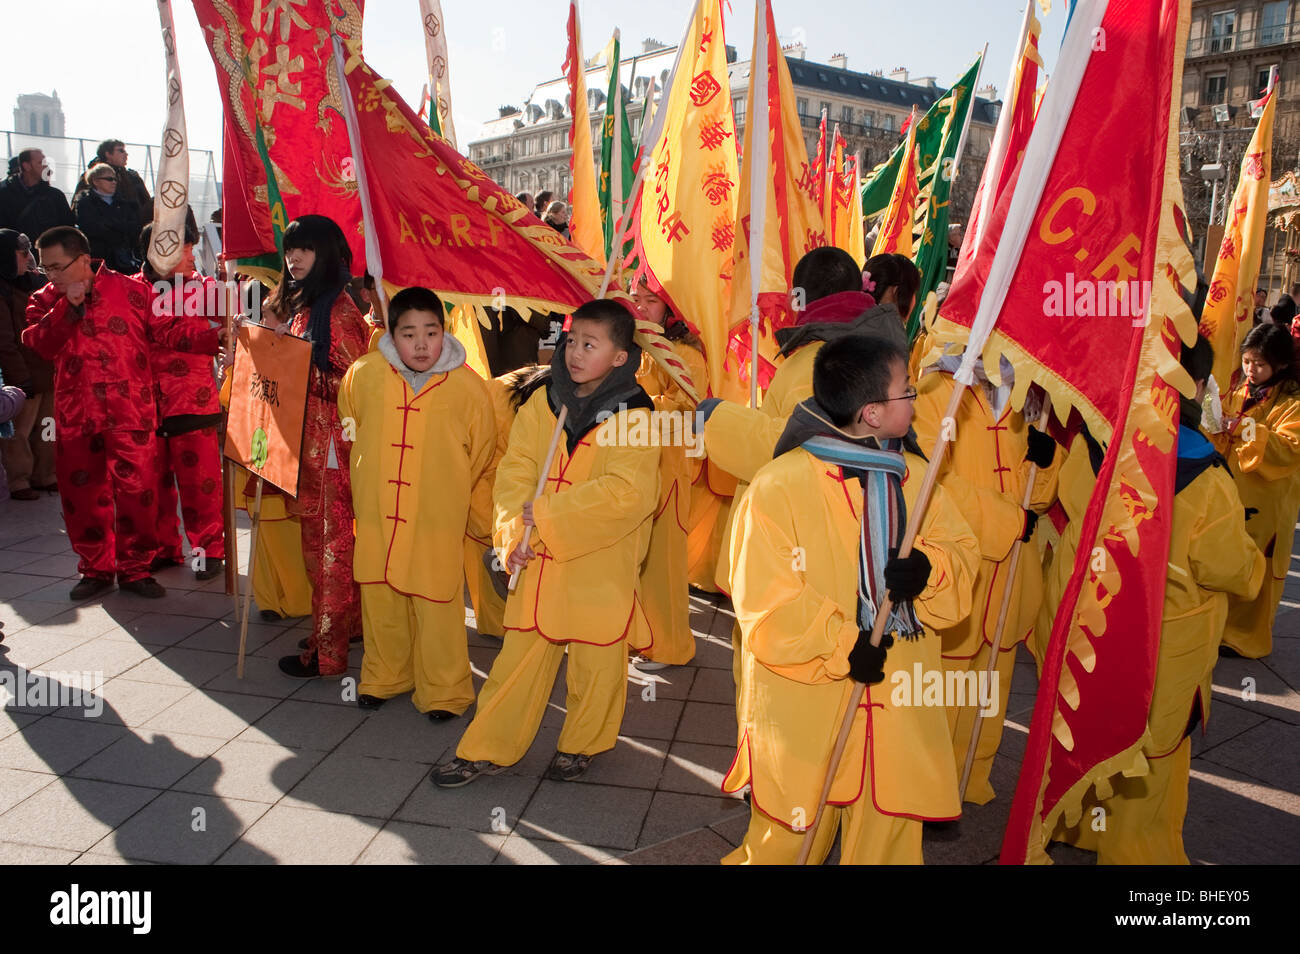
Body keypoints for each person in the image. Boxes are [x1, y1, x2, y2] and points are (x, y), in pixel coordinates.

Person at [721, 334, 980, 864]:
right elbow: (767, 606)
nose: (915, 398)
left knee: (887, 844)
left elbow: (960, 565)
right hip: (806, 710)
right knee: (787, 844)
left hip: (898, 711)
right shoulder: (778, 486)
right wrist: (847, 646)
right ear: (872, 413)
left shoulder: (918, 482)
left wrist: (928, 572)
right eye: (906, 391)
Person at [1055, 336, 1264, 863]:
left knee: (1088, 732)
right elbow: (1231, 570)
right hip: (1163, 648)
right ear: (1195, 386)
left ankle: (1078, 828)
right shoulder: (1207, 479)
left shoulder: (1095, 444)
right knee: (1150, 761)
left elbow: (1071, 510)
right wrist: (1255, 558)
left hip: (1093, 627)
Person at [433, 299, 660, 786]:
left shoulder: (638, 415)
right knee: (517, 661)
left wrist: (552, 513)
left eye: (591, 345)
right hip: (537, 557)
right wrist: (513, 531)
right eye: (573, 340)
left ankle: (583, 743)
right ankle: (485, 748)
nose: (575, 353)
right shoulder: (546, 400)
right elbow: (516, 471)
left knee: (598, 660)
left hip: (601, 562)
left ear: (620, 357)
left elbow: (630, 494)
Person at [24, 226, 223, 599]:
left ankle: (135, 568)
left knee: (139, 492)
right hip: (75, 413)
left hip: (132, 411)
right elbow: (39, 343)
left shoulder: (133, 291)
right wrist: (68, 305)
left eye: (55, 266)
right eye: (45, 267)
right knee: (83, 496)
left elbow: (165, 333)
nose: (48, 274)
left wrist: (216, 339)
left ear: (83, 259)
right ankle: (95, 569)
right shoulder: (44, 299)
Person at [339, 286, 497, 717]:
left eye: (432, 331)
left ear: (444, 332)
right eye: (409, 334)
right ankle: (385, 676)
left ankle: (445, 691)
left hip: (435, 513)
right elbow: (349, 425)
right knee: (380, 596)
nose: (422, 343)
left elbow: (482, 450)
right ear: (392, 333)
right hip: (376, 510)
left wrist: (449, 484)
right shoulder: (364, 373)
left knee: (437, 602)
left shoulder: (468, 388)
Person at [912, 355, 1060, 805]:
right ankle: (929, 789)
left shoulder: (1035, 392)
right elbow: (928, 477)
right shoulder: (940, 389)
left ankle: (971, 775)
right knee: (944, 690)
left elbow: (1037, 495)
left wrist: (1048, 465)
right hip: (960, 568)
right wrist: (1007, 520)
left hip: (1014, 573)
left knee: (990, 685)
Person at [268, 215, 370, 678]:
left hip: (331, 449)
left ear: (326, 253)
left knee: (326, 548)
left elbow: (356, 386)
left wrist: (293, 361)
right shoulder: (312, 306)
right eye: (290, 250)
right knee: (331, 545)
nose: (294, 259)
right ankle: (345, 627)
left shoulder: (340, 311)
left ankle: (326, 654)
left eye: (305, 249)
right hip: (314, 444)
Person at [135, 223, 226, 580]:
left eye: (192, 247)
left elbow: (233, 322)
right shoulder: (132, 290)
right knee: (152, 481)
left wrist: (230, 284)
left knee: (200, 482)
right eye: (185, 249)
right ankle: (163, 548)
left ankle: (209, 551)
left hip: (194, 399)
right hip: (143, 402)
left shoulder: (204, 288)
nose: (192, 255)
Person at [1210, 323, 1300, 658]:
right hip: (1233, 489)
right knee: (1227, 555)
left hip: (1269, 498)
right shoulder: (1239, 390)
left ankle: (1245, 634)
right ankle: (1220, 624)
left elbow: (1289, 448)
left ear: (1279, 365)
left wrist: (1245, 427)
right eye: (1247, 361)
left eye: (1259, 364)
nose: (1251, 369)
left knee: (1259, 560)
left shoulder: (1293, 402)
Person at [631, 276, 705, 669]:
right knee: (635, 560)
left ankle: (671, 645)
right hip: (632, 467)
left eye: (651, 302)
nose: (641, 307)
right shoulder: (635, 346)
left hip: (669, 469)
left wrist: (637, 405)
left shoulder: (684, 356)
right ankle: (641, 637)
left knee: (663, 564)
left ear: (670, 310)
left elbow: (689, 412)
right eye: (635, 299)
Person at [0, 229, 56, 500]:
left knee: (48, 426)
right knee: (18, 432)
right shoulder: (3, 290)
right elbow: (5, 342)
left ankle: (46, 474)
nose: (28, 258)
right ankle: (19, 480)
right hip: (22, 375)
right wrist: (19, 379)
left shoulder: (35, 283)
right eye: (22, 254)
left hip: (46, 369)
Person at [72, 140, 153, 236]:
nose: (126, 154)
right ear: (108, 154)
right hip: (99, 239)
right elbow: (77, 210)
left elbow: (146, 205)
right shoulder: (91, 177)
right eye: (121, 151)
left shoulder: (132, 177)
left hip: (130, 238)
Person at [73, 166, 141, 274]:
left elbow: (134, 228)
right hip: (99, 260)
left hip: (124, 260)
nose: (114, 182)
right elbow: (90, 228)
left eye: (115, 179)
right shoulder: (85, 203)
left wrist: (109, 224)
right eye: (109, 179)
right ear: (95, 181)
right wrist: (119, 227)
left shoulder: (125, 203)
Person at [0, 149, 75, 241]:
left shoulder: (55, 196)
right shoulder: (4, 194)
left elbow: (68, 229)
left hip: (48, 253)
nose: (46, 167)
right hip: (15, 253)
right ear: (26, 166)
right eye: (41, 163)